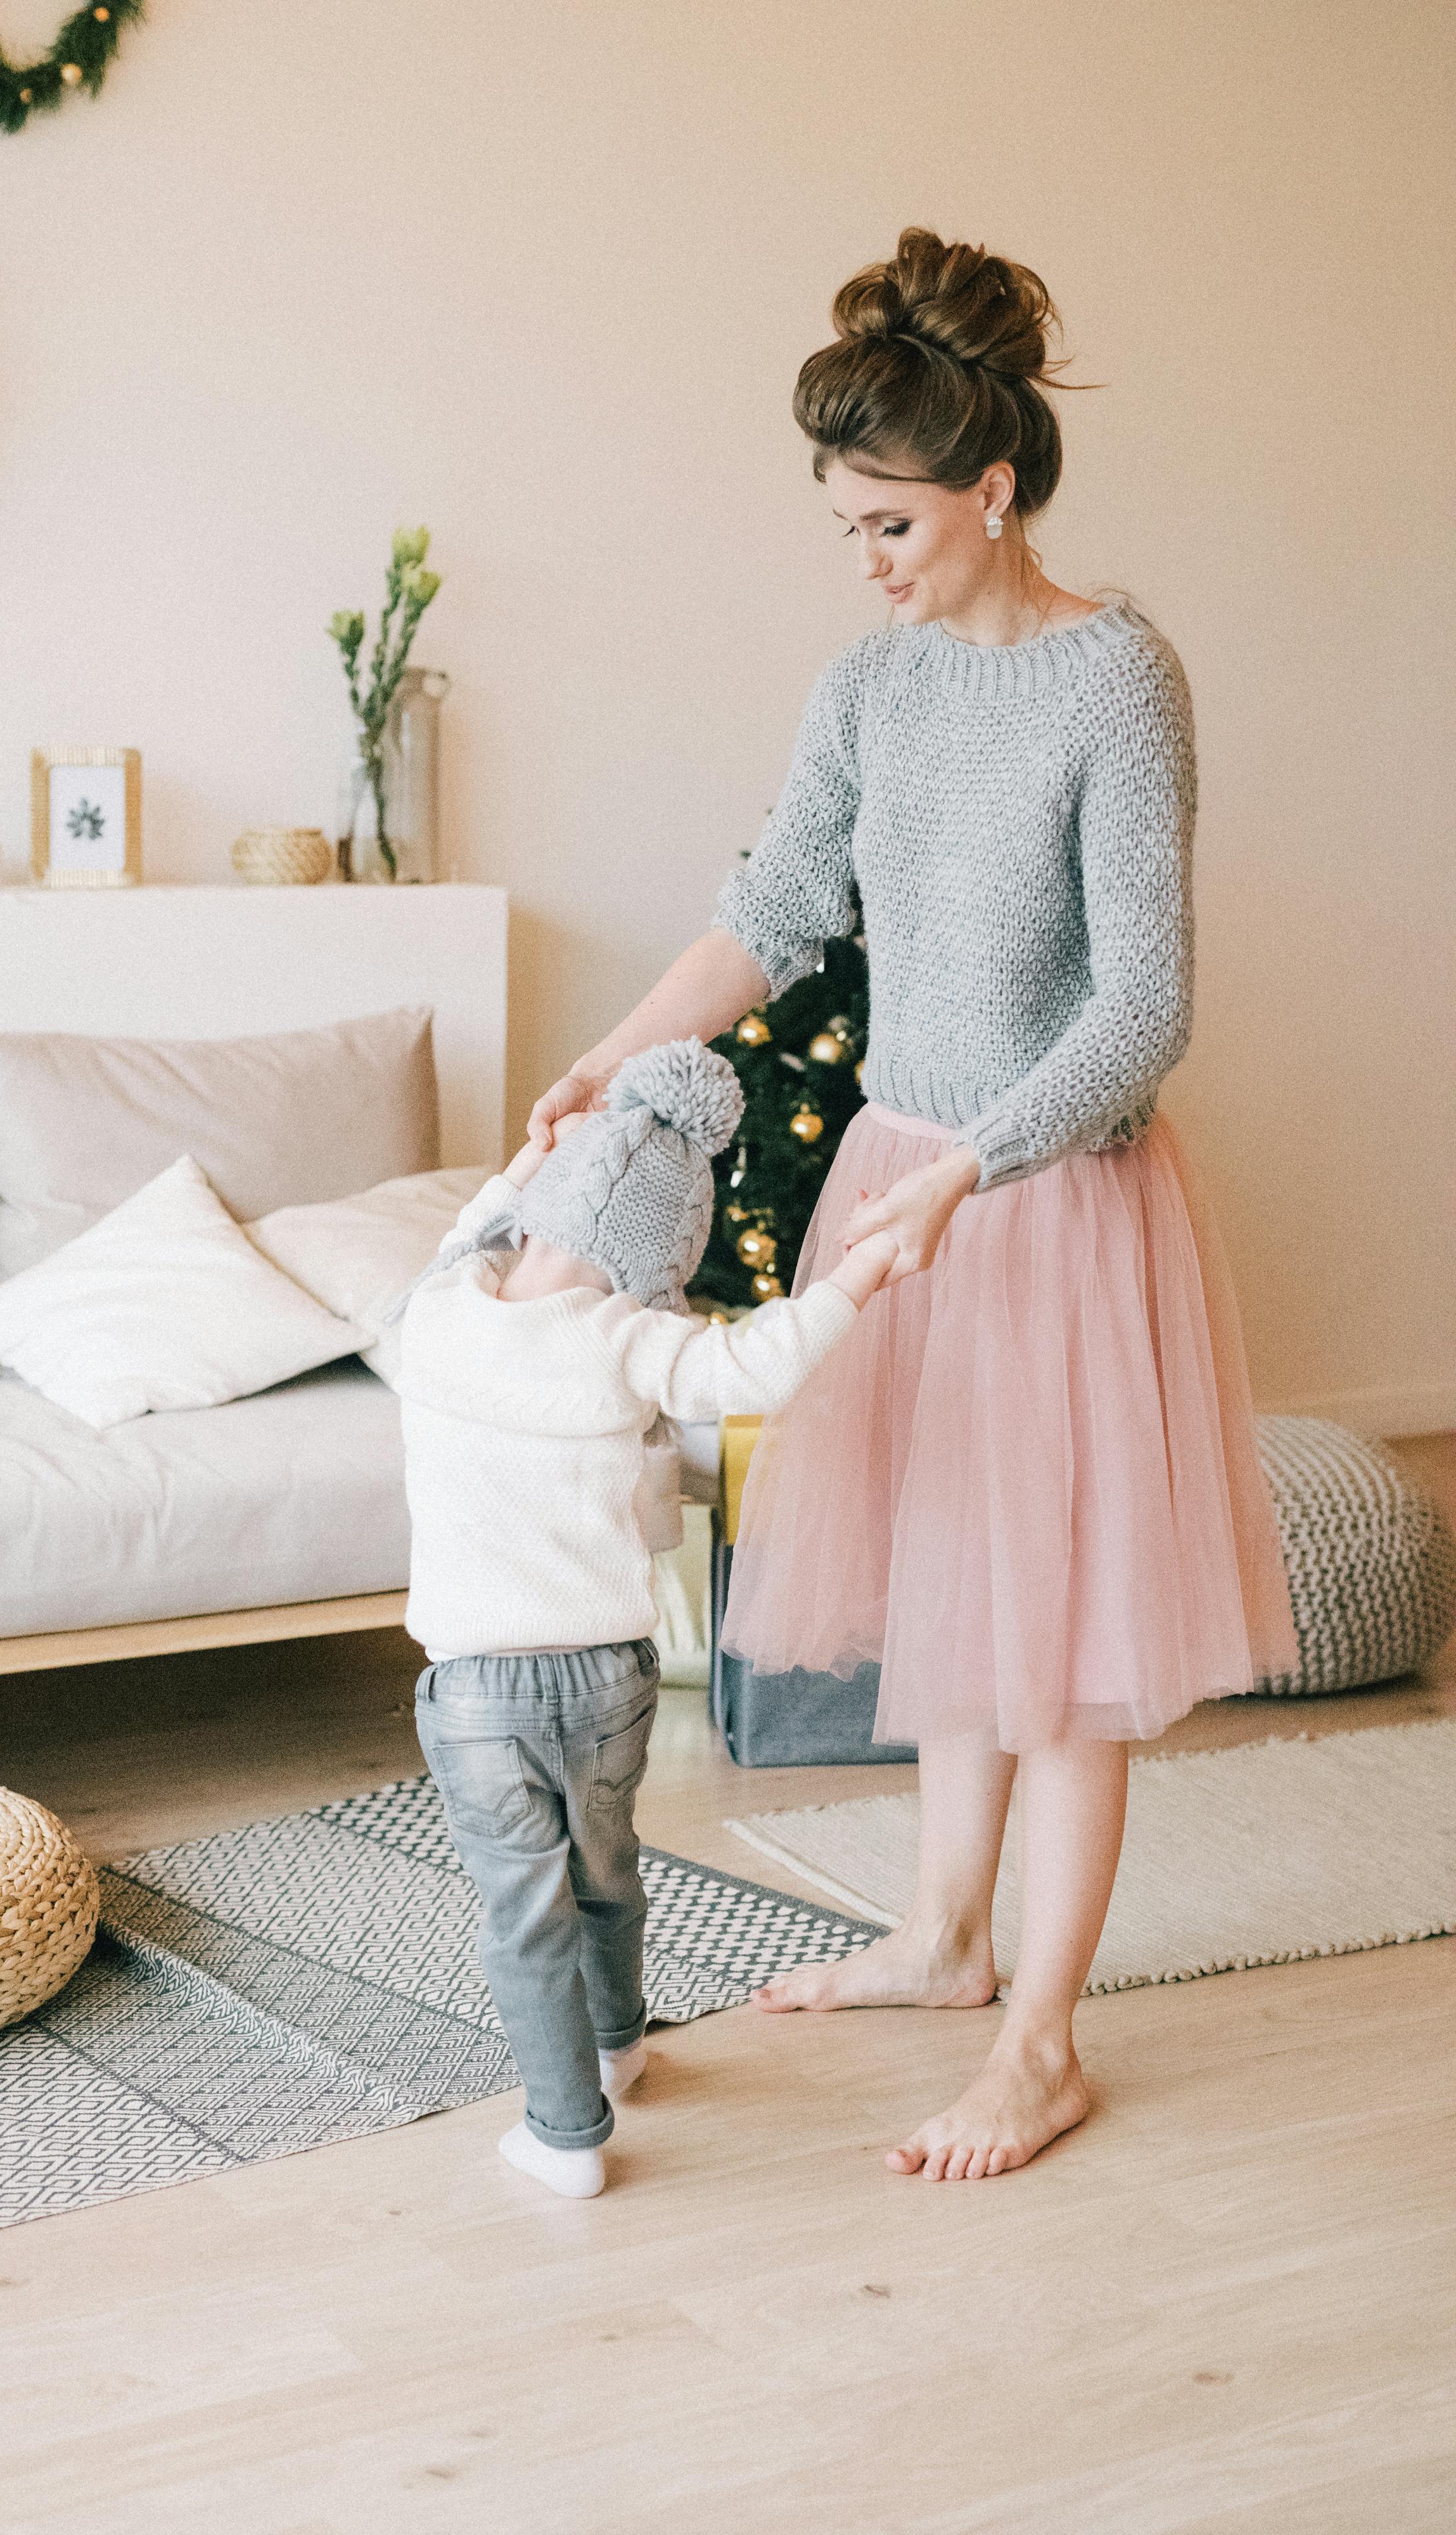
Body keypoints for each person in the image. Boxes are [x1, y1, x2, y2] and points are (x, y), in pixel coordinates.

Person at [528, 229, 1298, 2182]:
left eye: (888, 520)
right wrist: (615, 1055)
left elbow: (1143, 1003)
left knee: (1055, 1642)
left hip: (1042, 1200)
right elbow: (773, 912)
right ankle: (945, 1943)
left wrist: (975, 1161)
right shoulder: (865, 688)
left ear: (993, 487)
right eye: (844, 526)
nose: (863, 556)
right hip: (907, 1180)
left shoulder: (1115, 678)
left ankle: (1038, 2042)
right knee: (954, 1576)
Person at [393, 1039, 912, 2198]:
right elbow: (760, 1367)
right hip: (607, 1681)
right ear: (655, 1264)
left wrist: (521, 1167)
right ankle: (622, 2043)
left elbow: (454, 1247)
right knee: (606, 1868)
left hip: (478, 1693)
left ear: (532, 1220)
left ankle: (565, 2136)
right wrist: (862, 1272)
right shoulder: (625, 1344)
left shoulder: (431, 1320)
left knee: (522, 1914)